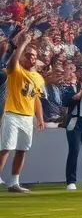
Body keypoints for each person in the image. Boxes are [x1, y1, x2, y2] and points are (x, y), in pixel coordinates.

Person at [1, 16, 47, 193]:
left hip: (28, 117)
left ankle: (14, 182)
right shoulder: (16, 70)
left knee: (22, 149)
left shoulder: (38, 77)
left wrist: (39, 117)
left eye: (35, 56)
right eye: (29, 55)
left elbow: (36, 98)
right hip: (12, 114)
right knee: (5, 148)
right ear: (22, 56)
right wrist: (22, 45)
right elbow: (12, 62)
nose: (32, 59)